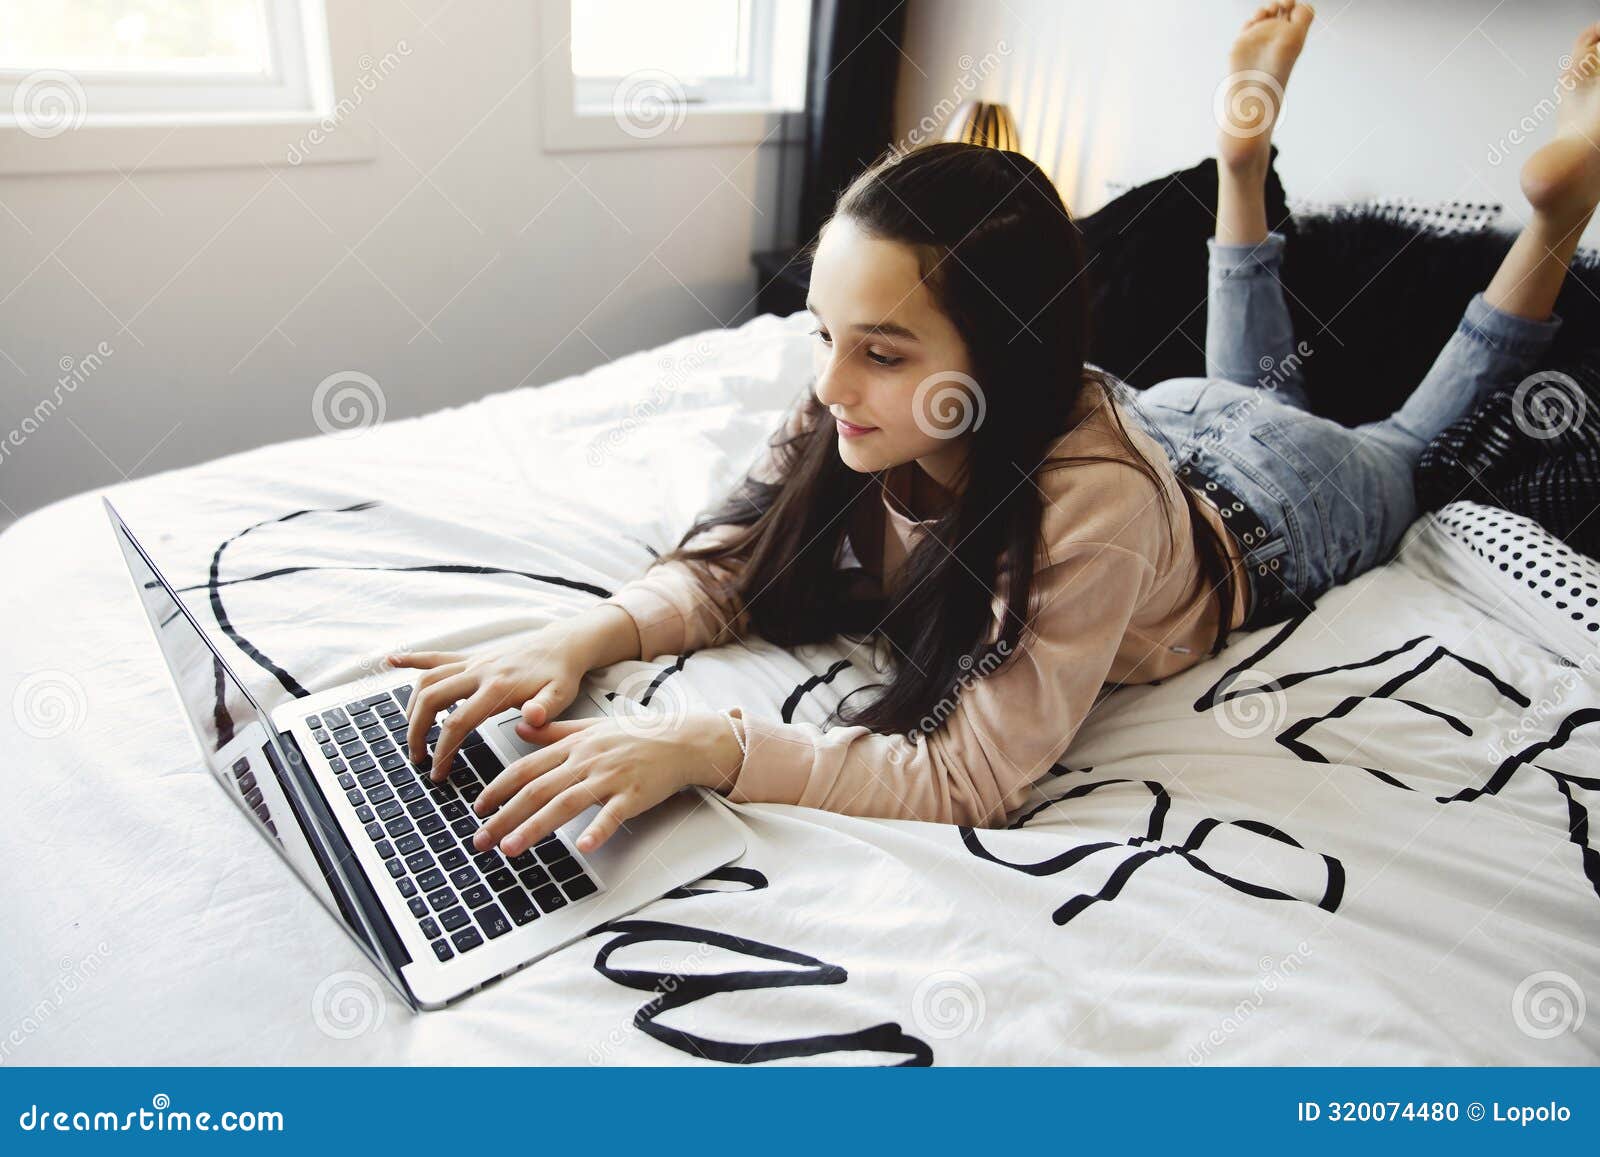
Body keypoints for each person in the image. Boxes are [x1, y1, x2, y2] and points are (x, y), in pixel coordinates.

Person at [389, 4, 1598, 855]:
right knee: (1253, 376)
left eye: (881, 351)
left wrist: (709, 745)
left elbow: (970, 776)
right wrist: (582, 635)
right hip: (1175, 424)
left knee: (1408, 444)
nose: (827, 386)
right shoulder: (855, 413)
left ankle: (1547, 224)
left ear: (1002, 354)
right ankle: (1240, 161)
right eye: (822, 333)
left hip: (1278, 509)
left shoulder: (1089, 502)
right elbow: (735, 559)